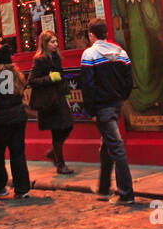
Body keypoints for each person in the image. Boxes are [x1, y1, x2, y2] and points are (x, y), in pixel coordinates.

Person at [79, 19, 136, 205]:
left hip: (102, 107)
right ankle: (104, 188)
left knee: (116, 147)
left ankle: (126, 193)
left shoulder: (90, 54)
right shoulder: (121, 53)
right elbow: (129, 80)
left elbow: (87, 86)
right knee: (108, 145)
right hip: (117, 104)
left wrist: (91, 110)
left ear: (91, 35)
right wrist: (122, 97)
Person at [28, 31, 75, 176]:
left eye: (56, 41)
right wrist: (49, 78)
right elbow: (32, 81)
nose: (55, 44)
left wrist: (67, 91)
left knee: (68, 125)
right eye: (52, 42)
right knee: (57, 130)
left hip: (59, 98)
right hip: (49, 101)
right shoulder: (40, 60)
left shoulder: (56, 57)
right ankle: (60, 165)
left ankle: (53, 153)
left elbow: (60, 76)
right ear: (45, 44)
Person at [0, 46, 31, 199]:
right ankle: (22, 188)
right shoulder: (16, 78)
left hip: (2, 123)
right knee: (18, 154)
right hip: (18, 120)